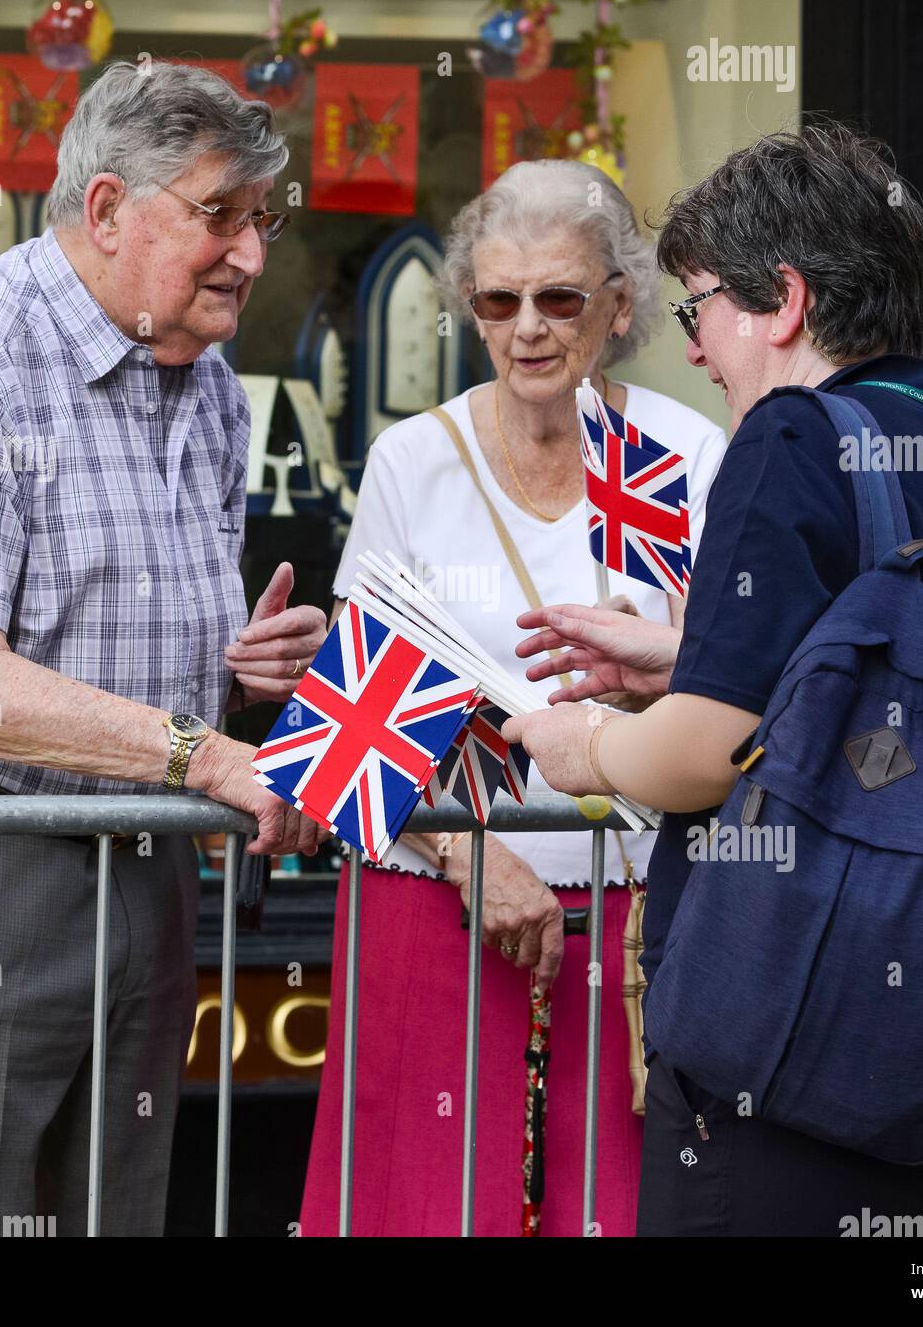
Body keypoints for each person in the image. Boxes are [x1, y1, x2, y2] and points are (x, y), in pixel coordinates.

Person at [503, 122, 923, 1236]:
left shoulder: (793, 438)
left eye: (699, 307)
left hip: (789, 1065)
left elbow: (706, 752)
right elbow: (900, 699)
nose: (698, 350)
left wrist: (583, 749)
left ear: (787, 302)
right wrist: (687, 656)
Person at [0, 61, 327, 1236]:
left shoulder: (210, 386)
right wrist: (203, 753)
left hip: (139, 858)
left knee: (116, 1217)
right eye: (219, 217)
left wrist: (232, 662)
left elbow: (101, 629)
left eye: (263, 218)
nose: (251, 254)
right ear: (104, 210)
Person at [300, 158, 726, 1237]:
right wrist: (473, 855)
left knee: (622, 1209)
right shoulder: (416, 462)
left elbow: (738, 686)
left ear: (618, 305)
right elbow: (352, 714)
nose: (527, 327)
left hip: (637, 928)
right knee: (430, 1204)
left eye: (559, 298)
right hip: (436, 911)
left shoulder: (680, 458)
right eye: (498, 300)